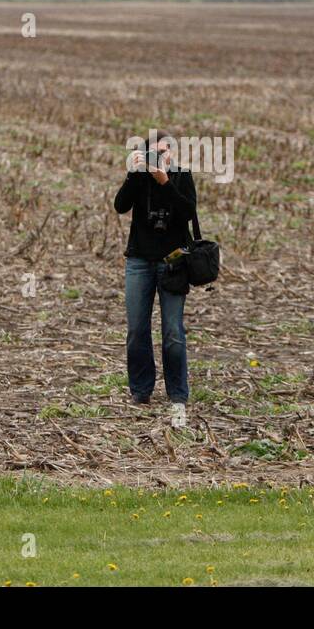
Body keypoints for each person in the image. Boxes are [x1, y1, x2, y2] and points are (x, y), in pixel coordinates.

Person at [113, 130, 197, 416]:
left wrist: (165, 182)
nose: (160, 157)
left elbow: (187, 212)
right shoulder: (138, 176)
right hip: (139, 261)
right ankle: (141, 391)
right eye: (154, 153)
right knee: (137, 329)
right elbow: (120, 206)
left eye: (165, 152)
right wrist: (131, 173)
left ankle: (177, 393)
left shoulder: (182, 175)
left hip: (172, 263)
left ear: (173, 153)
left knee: (173, 331)